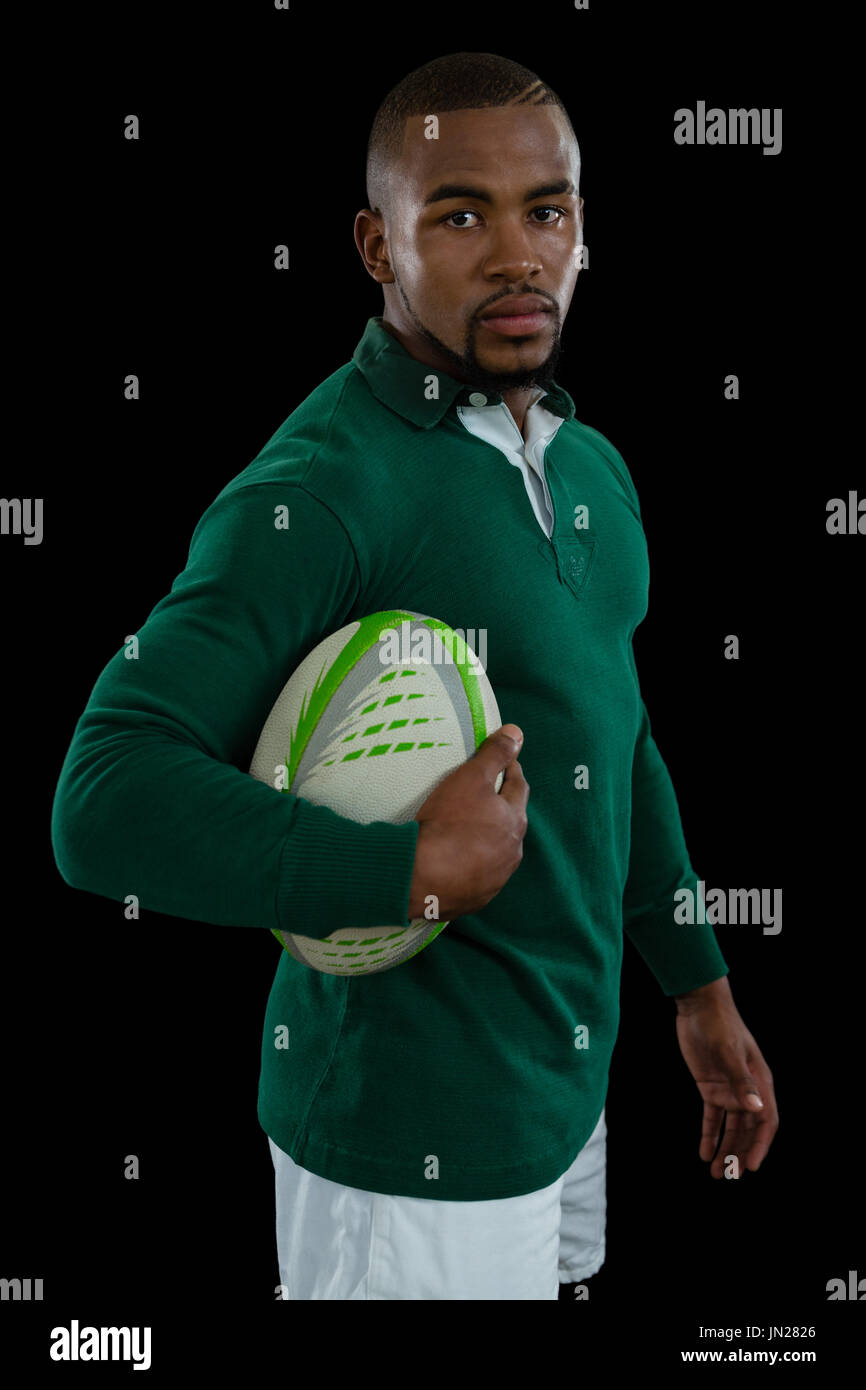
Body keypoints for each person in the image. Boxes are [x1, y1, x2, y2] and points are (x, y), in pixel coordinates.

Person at [51, 51, 779, 1300]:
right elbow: (102, 798)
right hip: (408, 1149)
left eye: (544, 210)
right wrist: (401, 872)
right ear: (375, 245)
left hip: (563, 1092)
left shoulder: (585, 463)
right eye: (457, 212)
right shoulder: (324, 488)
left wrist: (696, 985)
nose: (515, 254)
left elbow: (615, 726)